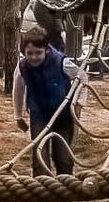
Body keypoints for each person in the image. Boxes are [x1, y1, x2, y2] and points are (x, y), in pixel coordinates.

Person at [13, 26, 80, 177]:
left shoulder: (61, 62)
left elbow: (82, 77)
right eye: (29, 53)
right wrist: (18, 115)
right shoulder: (22, 66)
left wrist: (78, 104)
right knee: (39, 154)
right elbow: (18, 89)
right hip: (39, 114)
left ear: (46, 50)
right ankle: (42, 187)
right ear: (24, 52)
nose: (34, 57)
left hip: (62, 115)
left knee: (63, 157)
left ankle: (65, 186)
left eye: (38, 53)